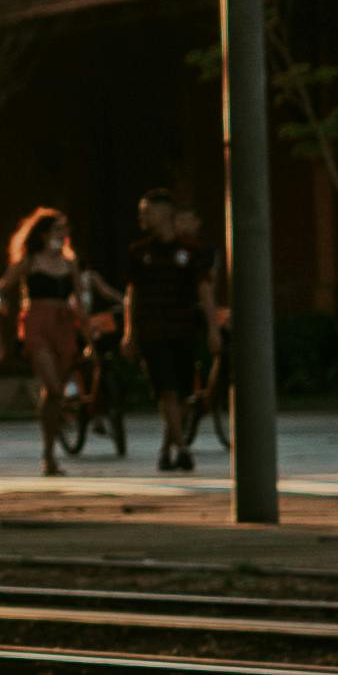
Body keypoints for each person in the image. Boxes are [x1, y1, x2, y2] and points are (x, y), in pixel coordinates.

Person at [0, 205, 93, 480]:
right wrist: (0, 303)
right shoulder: (29, 261)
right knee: (52, 386)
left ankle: (49, 453)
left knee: (55, 393)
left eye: (64, 229)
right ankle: (49, 453)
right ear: (43, 234)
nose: (62, 234)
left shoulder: (70, 263)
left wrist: (88, 336)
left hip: (64, 325)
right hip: (36, 324)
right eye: (57, 229)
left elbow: (80, 301)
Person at [126, 195, 216, 473]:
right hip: (152, 330)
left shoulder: (191, 251)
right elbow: (132, 294)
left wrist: (213, 328)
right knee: (166, 390)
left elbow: (204, 290)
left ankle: (166, 448)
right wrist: (129, 332)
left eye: (147, 212)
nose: (142, 218)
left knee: (184, 394)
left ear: (164, 213)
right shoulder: (139, 252)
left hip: (184, 329)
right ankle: (183, 448)